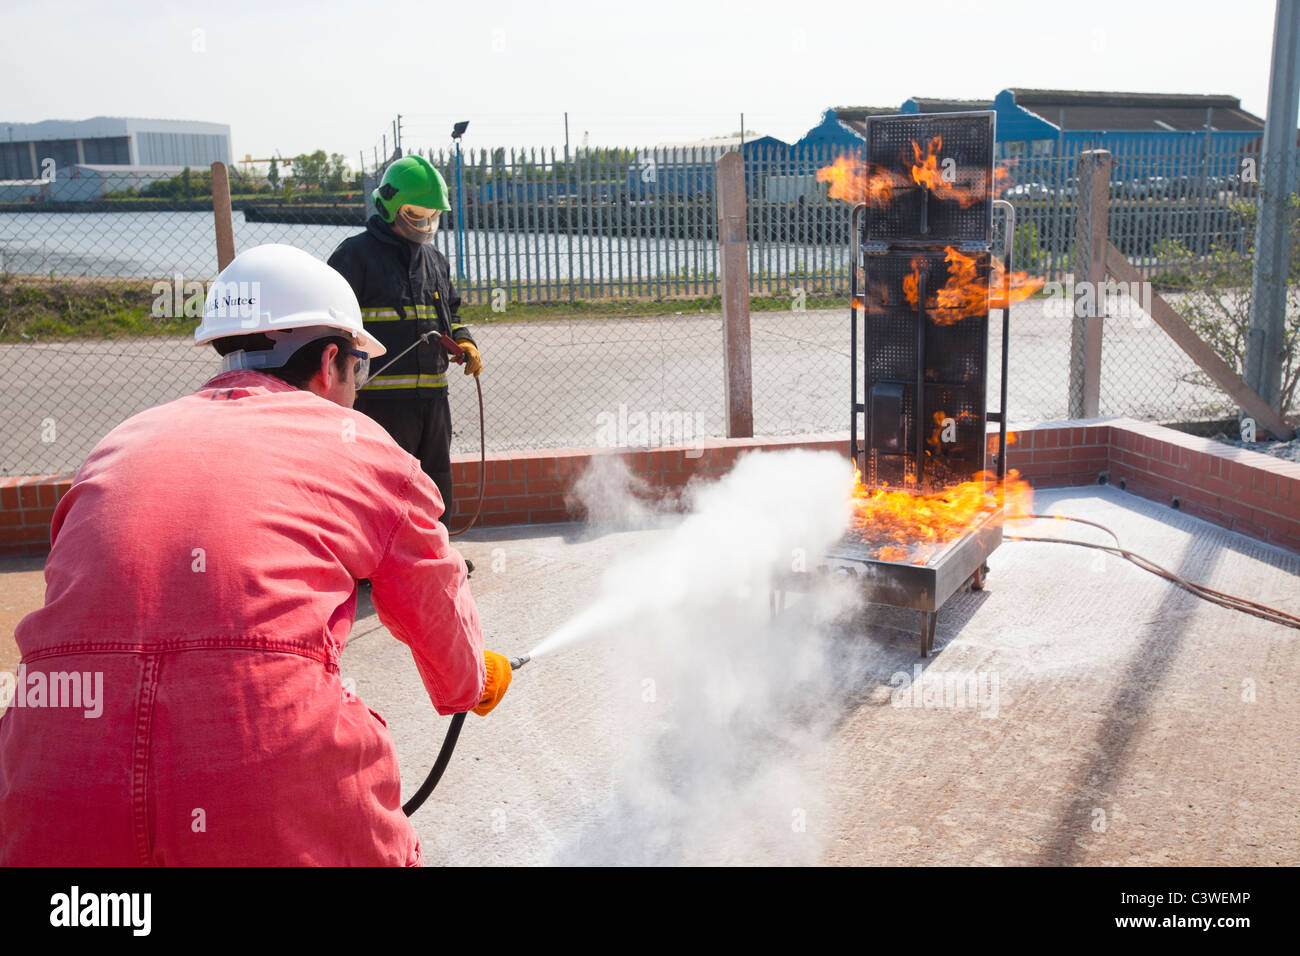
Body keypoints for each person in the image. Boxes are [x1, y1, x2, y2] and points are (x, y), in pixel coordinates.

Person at [0, 244, 512, 866]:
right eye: (360, 370)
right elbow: (433, 599)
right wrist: (471, 680)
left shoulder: (119, 445)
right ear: (331, 361)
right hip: (267, 787)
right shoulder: (362, 449)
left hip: (48, 787)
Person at [327, 155, 481, 544]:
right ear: (390, 206)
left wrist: (464, 340)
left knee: (433, 482)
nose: (425, 222)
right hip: (377, 403)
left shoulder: (434, 260)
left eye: (431, 213)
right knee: (380, 485)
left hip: (432, 399)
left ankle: (436, 558)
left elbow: (451, 315)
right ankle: (376, 567)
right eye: (416, 212)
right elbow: (331, 324)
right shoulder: (353, 257)